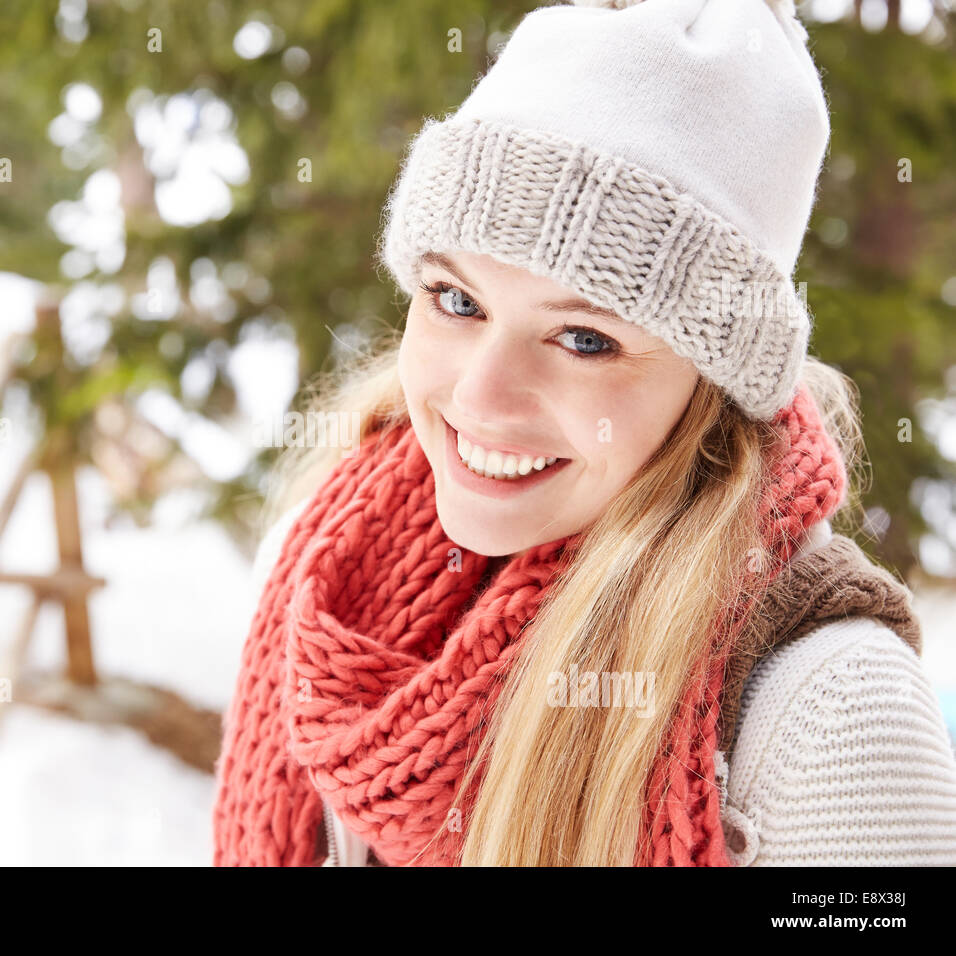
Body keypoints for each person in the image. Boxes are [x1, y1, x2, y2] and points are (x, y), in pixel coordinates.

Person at [212, 0, 956, 866]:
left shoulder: (831, 720)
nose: (483, 399)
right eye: (458, 301)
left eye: (585, 339)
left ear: (713, 384)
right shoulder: (327, 571)